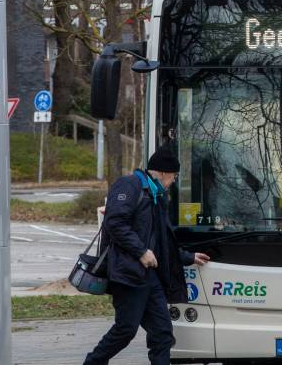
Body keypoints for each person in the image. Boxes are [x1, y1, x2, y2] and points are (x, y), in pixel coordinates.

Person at [84, 145, 210, 365]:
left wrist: (188, 257)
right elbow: (114, 222)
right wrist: (141, 252)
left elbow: (162, 242)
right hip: (128, 275)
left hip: (150, 277)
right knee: (126, 330)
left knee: (162, 333)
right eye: (174, 176)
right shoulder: (129, 185)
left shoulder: (157, 196)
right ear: (163, 173)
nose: (174, 181)